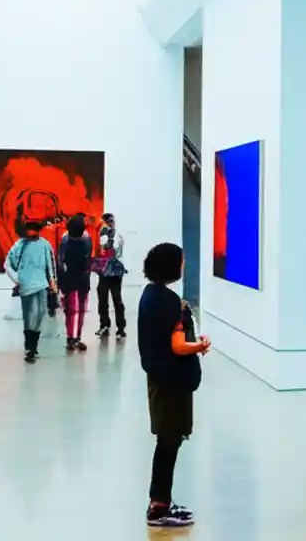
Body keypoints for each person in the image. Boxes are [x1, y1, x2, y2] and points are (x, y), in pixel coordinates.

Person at [138, 242, 210, 528]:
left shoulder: (150, 295)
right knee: (169, 441)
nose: (183, 266)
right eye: (181, 261)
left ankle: (162, 501)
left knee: (167, 441)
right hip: (171, 381)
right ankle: (158, 508)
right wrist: (199, 346)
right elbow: (178, 346)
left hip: (160, 378)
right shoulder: (167, 300)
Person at [4, 221, 57, 364]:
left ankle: (33, 346)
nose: (32, 233)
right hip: (26, 285)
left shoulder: (45, 244)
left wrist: (53, 282)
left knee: (40, 314)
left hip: (42, 284)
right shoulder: (20, 245)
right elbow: (7, 263)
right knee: (29, 316)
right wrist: (17, 279)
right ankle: (30, 347)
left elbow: (50, 264)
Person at [57, 214, 94, 352]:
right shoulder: (67, 240)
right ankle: (72, 337)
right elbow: (61, 262)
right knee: (73, 310)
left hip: (80, 280)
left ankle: (75, 337)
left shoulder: (84, 240)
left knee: (79, 310)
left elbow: (87, 260)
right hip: (71, 280)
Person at [95, 213, 128, 338]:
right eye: (108, 222)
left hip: (114, 273)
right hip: (104, 272)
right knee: (103, 300)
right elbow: (100, 251)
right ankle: (104, 325)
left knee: (117, 300)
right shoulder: (101, 235)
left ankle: (120, 328)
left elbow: (112, 249)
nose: (110, 224)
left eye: (111, 222)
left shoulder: (117, 236)